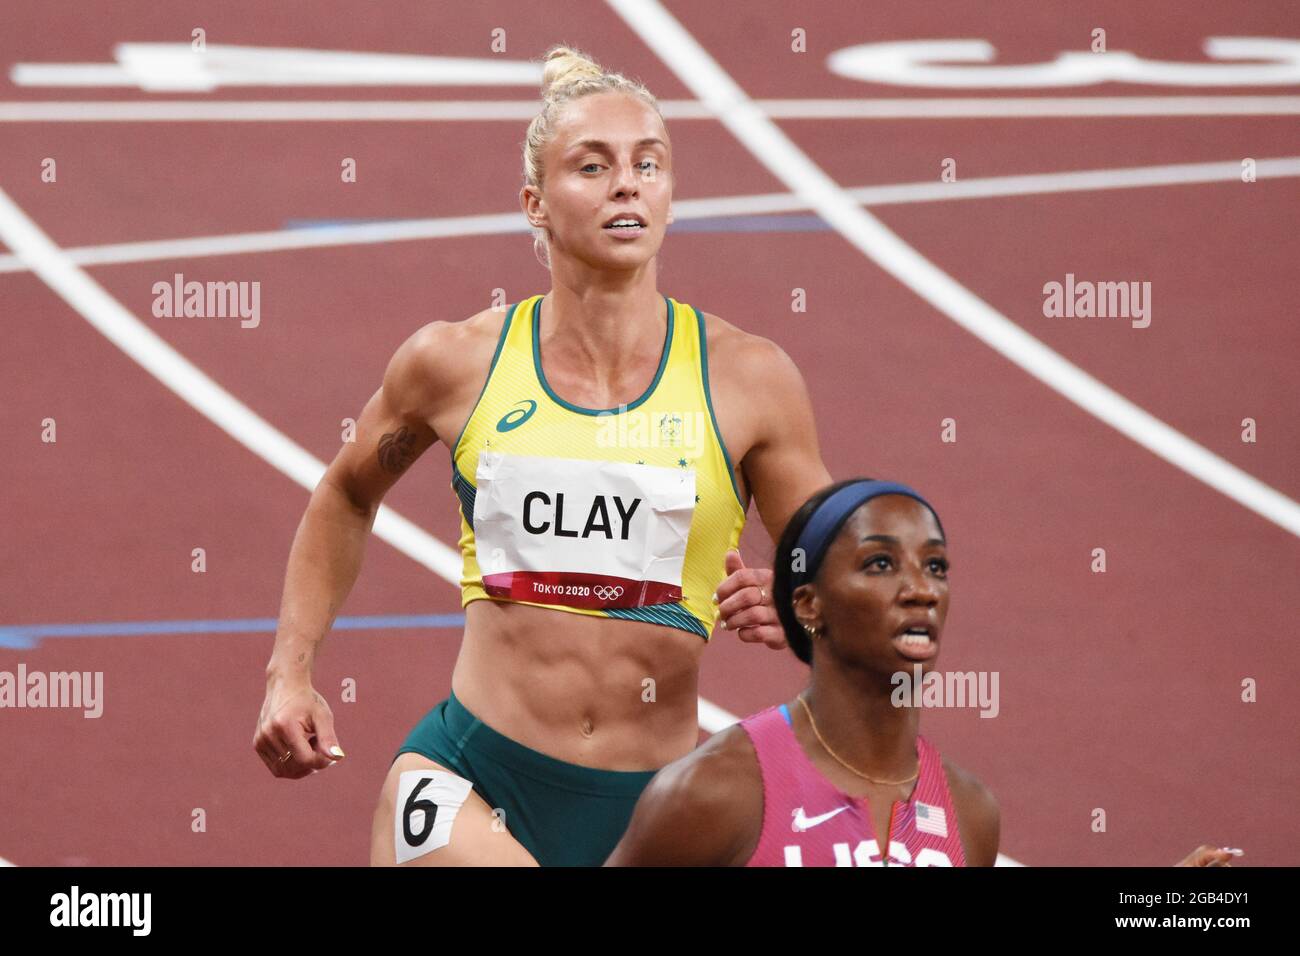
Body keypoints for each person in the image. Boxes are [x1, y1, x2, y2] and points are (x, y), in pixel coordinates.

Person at [251, 44, 829, 866]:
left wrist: (804, 608)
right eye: (592, 167)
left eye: (648, 164)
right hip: (473, 778)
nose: (626, 184)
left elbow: (844, 569)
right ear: (535, 202)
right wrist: (290, 672)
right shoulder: (454, 364)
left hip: (663, 809)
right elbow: (346, 494)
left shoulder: (750, 380)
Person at [606, 479, 1241, 867]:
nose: (920, 590)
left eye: (935, 567)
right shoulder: (716, 792)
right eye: (881, 565)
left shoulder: (969, 810)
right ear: (808, 605)